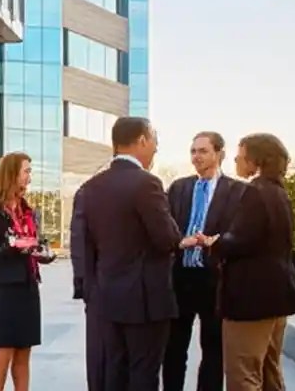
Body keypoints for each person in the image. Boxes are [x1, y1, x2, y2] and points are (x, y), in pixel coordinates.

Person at [76, 116, 182, 391]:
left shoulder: (89, 188)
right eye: (154, 141)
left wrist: (90, 291)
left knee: (113, 372)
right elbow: (166, 238)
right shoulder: (146, 183)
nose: (156, 148)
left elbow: (82, 247)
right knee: (143, 374)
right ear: (142, 140)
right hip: (145, 301)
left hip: (106, 299)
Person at [199, 133, 295, 391]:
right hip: (277, 296)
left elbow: (242, 242)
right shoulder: (279, 192)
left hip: (251, 300)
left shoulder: (254, 192)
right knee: (270, 371)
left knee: (243, 373)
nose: (236, 158)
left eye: (240, 153)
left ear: (255, 160)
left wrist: (214, 243)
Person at [164, 132, 245, 391]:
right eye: (193, 151)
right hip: (180, 277)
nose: (196, 157)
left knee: (213, 349)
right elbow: (165, 226)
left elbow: (240, 232)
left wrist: (214, 241)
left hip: (214, 278)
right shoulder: (178, 187)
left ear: (219, 154)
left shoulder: (238, 191)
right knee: (173, 348)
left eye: (202, 151)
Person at [0, 153, 55, 391]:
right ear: (12, 174)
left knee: (24, 351)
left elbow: (33, 242)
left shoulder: (26, 209)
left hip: (28, 284)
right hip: (5, 287)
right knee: (4, 351)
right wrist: (10, 247)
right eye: (26, 171)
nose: (30, 176)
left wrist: (42, 252)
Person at [69, 184, 102, 391]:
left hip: (96, 284)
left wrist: (81, 280)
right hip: (103, 284)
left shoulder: (87, 190)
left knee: (100, 353)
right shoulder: (148, 187)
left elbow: (78, 238)